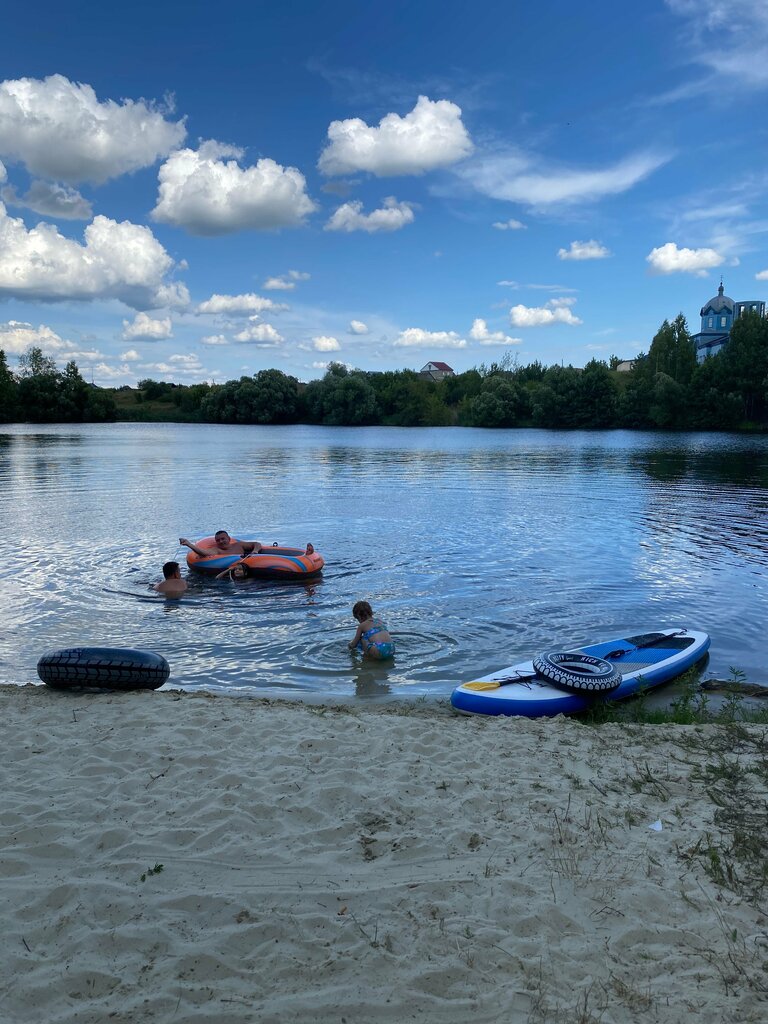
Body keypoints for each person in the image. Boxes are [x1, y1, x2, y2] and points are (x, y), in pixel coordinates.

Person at [179, 531, 262, 558]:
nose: (221, 541)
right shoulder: (217, 550)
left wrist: (255, 551)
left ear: (229, 539)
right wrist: (188, 544)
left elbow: (257, 544)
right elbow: (203, 552)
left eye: (223, 539)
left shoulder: (239, 545)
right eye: (218, 540)